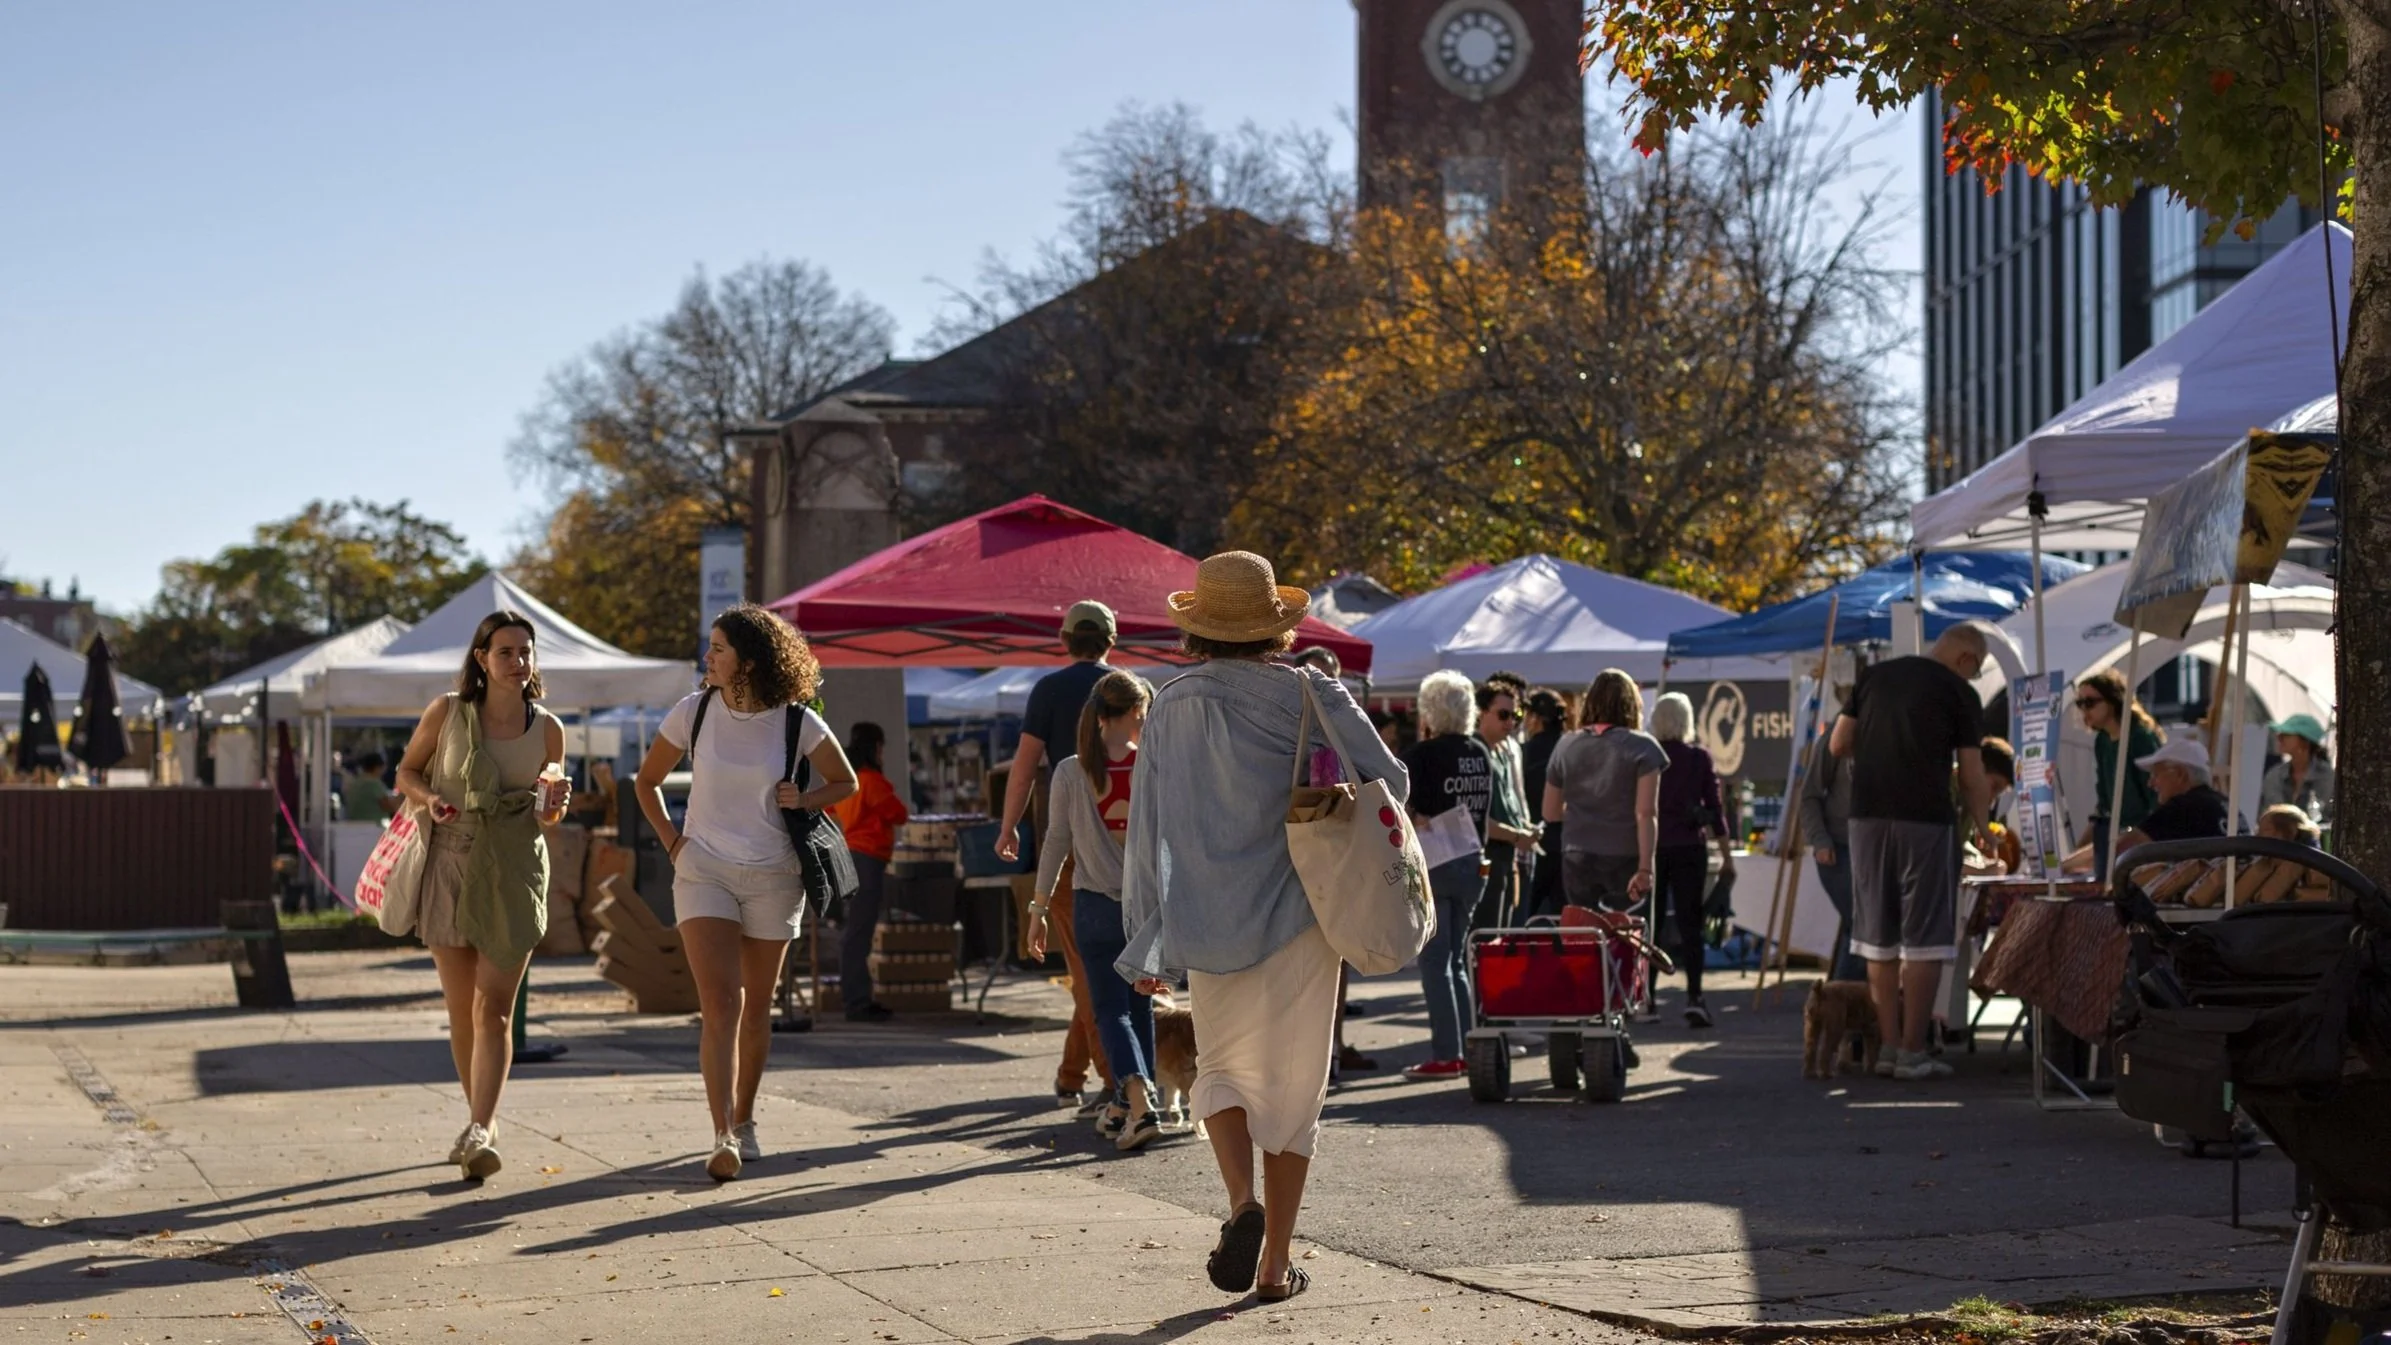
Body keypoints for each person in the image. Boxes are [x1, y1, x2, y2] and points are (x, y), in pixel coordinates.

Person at [1120, 550, 1405, 1304]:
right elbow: (1392, 782)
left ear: (1199, 629)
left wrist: (1145, 932)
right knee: (1294, 1092)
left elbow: (1146, 825)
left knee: (1219, 1072)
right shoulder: (1309, 690)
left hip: (1205, 916)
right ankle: (1276, 1262)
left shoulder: (1169, 700)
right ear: (1274, 625)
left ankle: (1239, 1203)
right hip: (1302, 913)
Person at [632, 605, 856, 1182]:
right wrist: (674, 843)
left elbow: (845, 782)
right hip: (703, 869)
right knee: (720, 1006)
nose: (707, 658)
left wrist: (803, 800)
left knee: (757, 1008)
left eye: (718, 649)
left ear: (749, 662)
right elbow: (647, 781)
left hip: (774, 876)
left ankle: (747, 1117)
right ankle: (722, 1133)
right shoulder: (694, 712)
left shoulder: (796, 721)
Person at [393, 610, 573, 1180]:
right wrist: (428, 800)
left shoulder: (548, 728)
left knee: (494, 1008)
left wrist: (555, 802)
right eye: (505, 652)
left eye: (526, 652)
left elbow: (550, 816)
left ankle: (478, 1128)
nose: (518, 662)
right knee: (462, 1011)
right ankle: (483, 1124)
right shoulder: (446, 713)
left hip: (515, 867)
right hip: (450, 858)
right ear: (482, 659)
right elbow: (406, 772)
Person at [1828, 624, 1994, 1084]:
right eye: (1977, 669)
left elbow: (1838, 744)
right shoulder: (1959, 693)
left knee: (1877, 937)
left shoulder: (1875, 677)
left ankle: (1886, 1049)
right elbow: (1972, 774)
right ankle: (1912, 1051)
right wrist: (1984, 829)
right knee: (1925, 938)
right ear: (1965, 659)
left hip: (1865, 818)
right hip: (1924, 818)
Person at [1026, 670, 1163, 1151]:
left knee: (1110, 1009)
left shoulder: (1069, 770)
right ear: (1122, 715)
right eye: (1141, 714)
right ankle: (1137, 1102)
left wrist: (1038, 907)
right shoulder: (1150, 766)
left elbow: (1055, 844)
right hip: (1144, 909)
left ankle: (1134, 1101)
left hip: (1093, 905)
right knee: (1138, 1005)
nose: (1144, 722)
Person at [993, 599, 1119, 1113]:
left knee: (1088, 967)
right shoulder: (1127, 689)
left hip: (1066, 848)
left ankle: (1116, 1080)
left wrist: (1008, 826)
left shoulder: (1047, 689)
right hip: (1124, 847)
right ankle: (1080, 1074)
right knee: (1104, 964)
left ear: (1064, 641)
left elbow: (1023, 767)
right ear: (1111, 641)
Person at [1401, 670, 1492, 1080]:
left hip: (1436, 862)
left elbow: (1408, 807)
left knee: (1436, 962)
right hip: (1473, 861)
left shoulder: (1423, 755)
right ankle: (1470, 1048)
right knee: (1457, 960)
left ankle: (1446, 1052)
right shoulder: (1480, 751)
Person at [1543, 669, 1668, 915]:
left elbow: (1550, 813)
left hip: (1576, 855)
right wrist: (1646, 869)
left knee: (1586, 940)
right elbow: (1645, 813)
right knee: (1629, 941)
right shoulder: (1643, 747)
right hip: (1626, 856)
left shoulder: (1566, 745)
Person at [1649, 691, 1734, 1027]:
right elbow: (1715, 810)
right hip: (1689, 846)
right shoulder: (1699, 758)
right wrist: (1727, 857)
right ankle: (1695, 996)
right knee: (1691, 924)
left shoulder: (1648, 756)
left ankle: (1647, 998)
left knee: (1650, 926)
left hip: (1653, 846)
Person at [829, 721, 908, 1022]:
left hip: (851, 858)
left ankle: (857, 997)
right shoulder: (871, 782)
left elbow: (828, 809)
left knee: (855, 931)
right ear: (876, 747)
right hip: (867, 861)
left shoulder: (847, 781)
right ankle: (857, 1001)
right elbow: (899, 814)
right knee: (858, 933)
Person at [2063, 668, 2163, 874]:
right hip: (2116, 835)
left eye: (2090, 703)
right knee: (2065, 868)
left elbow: (2157, 800)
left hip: (2144, 837)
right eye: (2080, 704)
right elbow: (2104, 808)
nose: (2084, 710)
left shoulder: (2140, 737)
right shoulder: (2102, 741)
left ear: (2112, 700)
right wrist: (2075, 854)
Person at [1796, 702, 1862, 981]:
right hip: (1839, 847)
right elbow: (1809, 795)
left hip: (1873, 850)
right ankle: (1842, 1001)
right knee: (1861, 926)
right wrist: (1820, 840)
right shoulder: (1838, 735)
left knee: (1864, 930)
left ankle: (1851, 1002)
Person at [1474, 673, 1539, 930]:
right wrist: (1515, 835)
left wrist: (1524, 828)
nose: (1511, 722)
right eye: (1504, 715)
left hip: (1506, 858)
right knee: (1484, 939)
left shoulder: (1503, 750)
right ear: (1481, 712)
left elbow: (1508, 805)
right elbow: (1473, 817)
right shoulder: (1475, 750)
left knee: (1502, 938)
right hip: (1485, 858)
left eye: (1516, 716)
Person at [2116, 739, 2229, 851]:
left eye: (2156, 774)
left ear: (2180, 774)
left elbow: (2123, 847)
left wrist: (2124, 833)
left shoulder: (2182, 808)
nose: (2150, 783)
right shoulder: (2226, 804)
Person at [1518, 687, 1569, 918]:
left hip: (1532, 843)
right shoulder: (1571, 748)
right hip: (1569, 844)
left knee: (1523, 920)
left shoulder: (1522, 753)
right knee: (1565, 919)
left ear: (1537, 719)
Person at [2259, 714, 2334, 823]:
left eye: (2287, 734)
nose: (2279, 738)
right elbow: (2271, 813)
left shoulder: (2326, 776)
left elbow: (2322, 816)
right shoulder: (2275, 775)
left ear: (2304, 742)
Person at [343, 751, 399, 821]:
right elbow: (389, 807)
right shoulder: (373, 783)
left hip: (354, 823)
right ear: (377, 767)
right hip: (374, 825)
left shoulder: (356, 782)